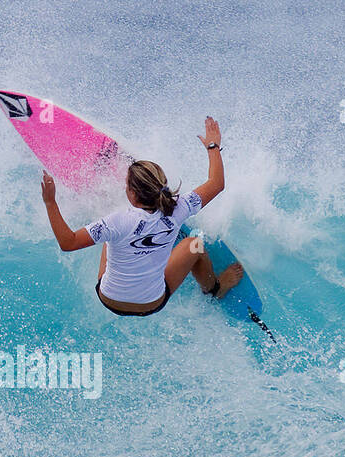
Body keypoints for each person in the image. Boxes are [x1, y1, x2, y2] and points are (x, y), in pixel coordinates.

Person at [39, 116, 244, 317]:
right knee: (194, 244)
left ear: (133, 194)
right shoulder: (180, 207)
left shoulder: (116, 221)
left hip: (109, 297)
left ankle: (217, 288)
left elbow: (68, 243)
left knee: (108, 237)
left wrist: (51, 202)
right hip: (151, 303)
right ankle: (213, 288)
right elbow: (217, 183)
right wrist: (213, 146)